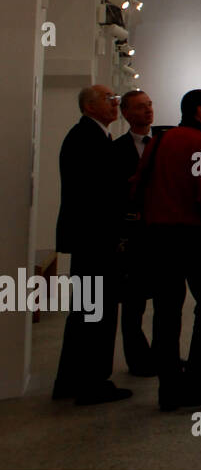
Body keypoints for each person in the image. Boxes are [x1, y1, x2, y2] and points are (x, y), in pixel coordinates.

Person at [136, 89, 201, 411]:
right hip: (194, 238)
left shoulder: (159, 141)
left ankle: (169, 390)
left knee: (165, 311)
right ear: (199, 111)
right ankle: (199, 386)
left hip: (159, 238)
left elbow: (139, 184)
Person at [52, 86, 131, 405]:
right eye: (107, 100)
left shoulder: (91, 135)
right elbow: (98, 195)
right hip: (96, 240)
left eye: (115, 99)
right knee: (97, 312)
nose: (115, 104)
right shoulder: (87, 138)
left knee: (86, 310)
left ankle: (70, 381)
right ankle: (92, 383)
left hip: (90, 239)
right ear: (88, 106)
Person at [113, 90, 155, 376]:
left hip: (158, 231)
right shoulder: (116, 150)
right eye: (141, 107)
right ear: (126, 114)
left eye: (149, 106)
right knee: (133, 301)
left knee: (164, 297)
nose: (148, 111)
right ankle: (138, 359)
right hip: (132, 233)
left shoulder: (161, 145)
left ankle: (161, 355)